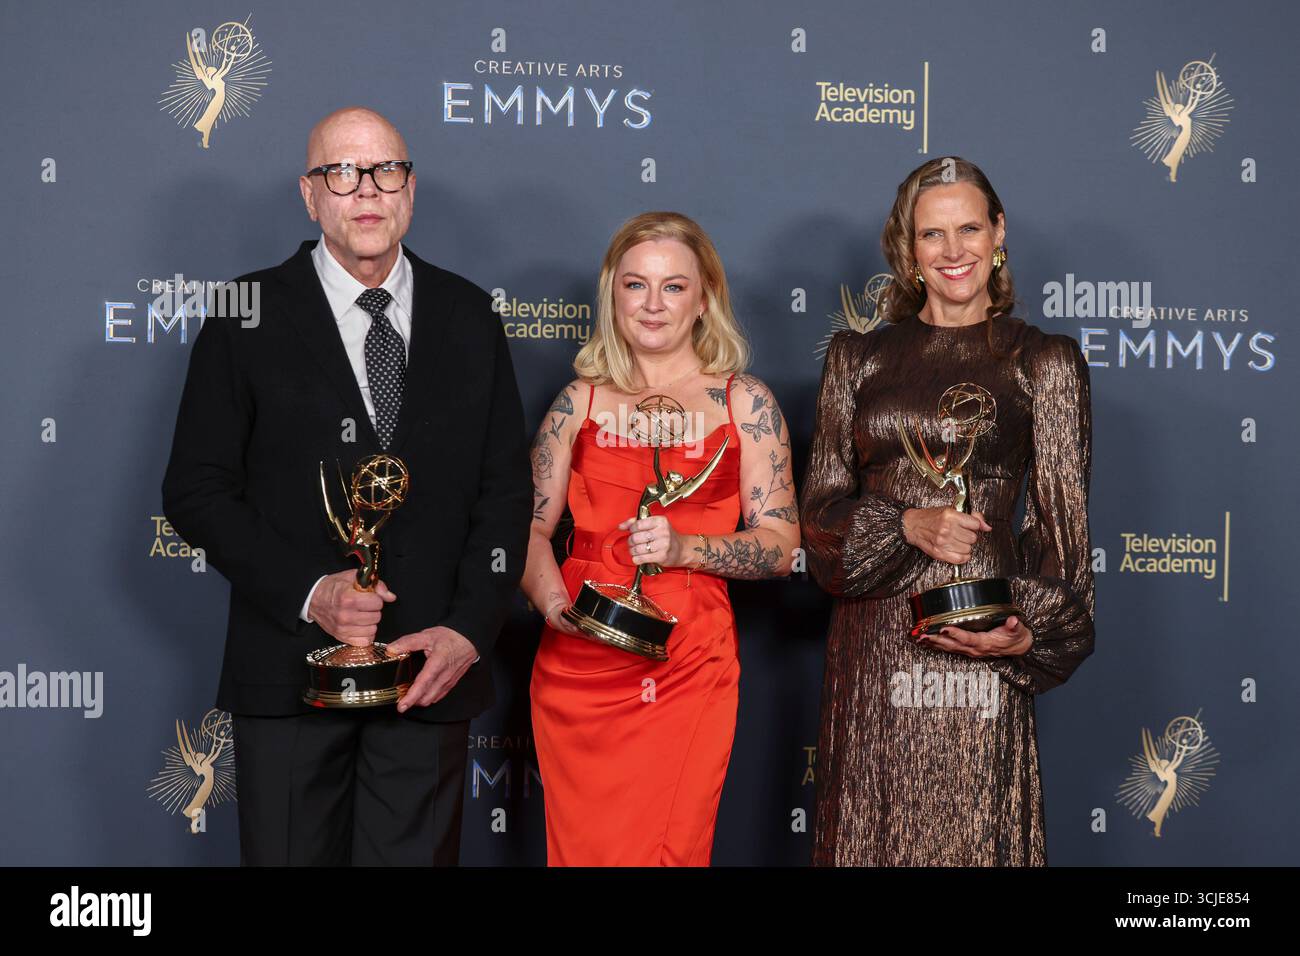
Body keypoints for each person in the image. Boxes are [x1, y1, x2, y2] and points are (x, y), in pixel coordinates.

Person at [162, 107, 531, 865]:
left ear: (411, 188)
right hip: (289, 674)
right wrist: (310, 591)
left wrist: (469, 630)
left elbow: (505, 491)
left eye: (385, 170)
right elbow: (195, 490)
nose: (366, 190)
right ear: (309, 194)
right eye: (341, 172)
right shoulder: (245, 314)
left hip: (428, 676)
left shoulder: (469, 314)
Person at [801, 157, 1095, 866]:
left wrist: (1030, 635)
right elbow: (818, 520)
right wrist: (904, 523)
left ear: (999, 234)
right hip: (873, 642)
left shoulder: (1044, 361)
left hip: (981, 640)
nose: (954, 251)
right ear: (907, 250)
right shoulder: (856, 359)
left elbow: (1064, 535)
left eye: (969, 228)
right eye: (933, 235)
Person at [523, 211, 800, 865]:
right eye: (635, 285)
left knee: (666, 850)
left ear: (704, 299)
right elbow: (529, 530)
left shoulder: (745, 402)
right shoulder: (578, 401)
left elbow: (781, 542)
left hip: (686, 659)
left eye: (674, 287)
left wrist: (687, 550)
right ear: (612, 293)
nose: (652, 304)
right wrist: (554, 606)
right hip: (579, 660)